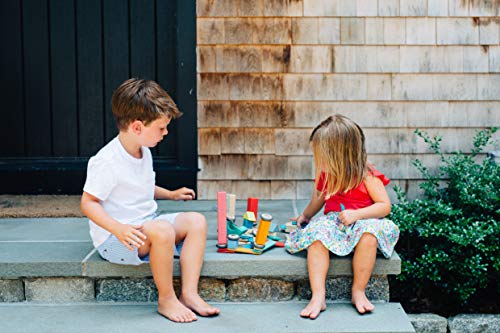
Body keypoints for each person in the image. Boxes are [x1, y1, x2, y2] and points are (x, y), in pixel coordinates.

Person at [80, 78, 219, 323]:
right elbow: (88, 202)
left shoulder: (143, 150)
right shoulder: (107, 161)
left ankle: (189, 294)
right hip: (116, 239)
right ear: (137, 127)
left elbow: (141, 187)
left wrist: (171, 194)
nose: (165, 133)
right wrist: (118, 228)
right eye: (161, 128)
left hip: (148, 226)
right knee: (162, 229)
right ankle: (166, 299)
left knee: (196, 221)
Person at [285, 114, 399, 319]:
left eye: (322, 155)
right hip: (336, 223)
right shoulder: (326, 176)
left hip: (364, 220)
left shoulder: (367, 175)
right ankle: (318, 295)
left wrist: (357, 214)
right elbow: (318, 200)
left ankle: (358, 291)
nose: (318, 160)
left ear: (340, 155)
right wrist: (306, 215)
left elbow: (384, 206)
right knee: (317, 237)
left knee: (369, 236)